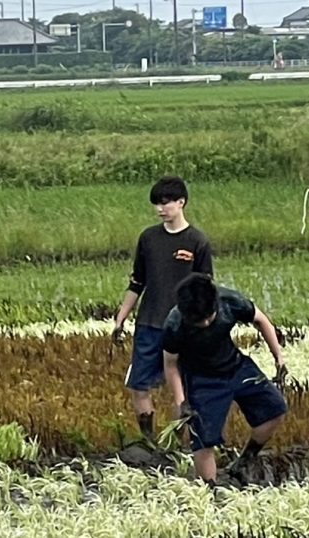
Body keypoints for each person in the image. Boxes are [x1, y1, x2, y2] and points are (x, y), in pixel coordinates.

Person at [112, 176, 213, 441]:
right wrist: (121, 317)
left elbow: (206, 289)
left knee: (183, 389)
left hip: (184, 328)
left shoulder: (197, 241)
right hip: (149, 324)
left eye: (166, 203)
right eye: (156, 204)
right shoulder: (148, 238)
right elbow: (137, 282)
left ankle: (181, 444)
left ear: (181, 202)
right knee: (139, 385)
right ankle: (149, 442)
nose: (160, 209)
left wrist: (205, 325)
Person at [162, 273, 288, 486]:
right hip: (203, 380)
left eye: (208, 317)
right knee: (203, 440)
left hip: (237, 367)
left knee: (275, 410)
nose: (204, 323)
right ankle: (210, 493)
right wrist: (181, 401)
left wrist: (279, 357)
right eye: (198, 321)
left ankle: (244, 461)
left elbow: (261, 320)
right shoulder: (174, 325)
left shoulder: (230, 301)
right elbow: (171, 364)